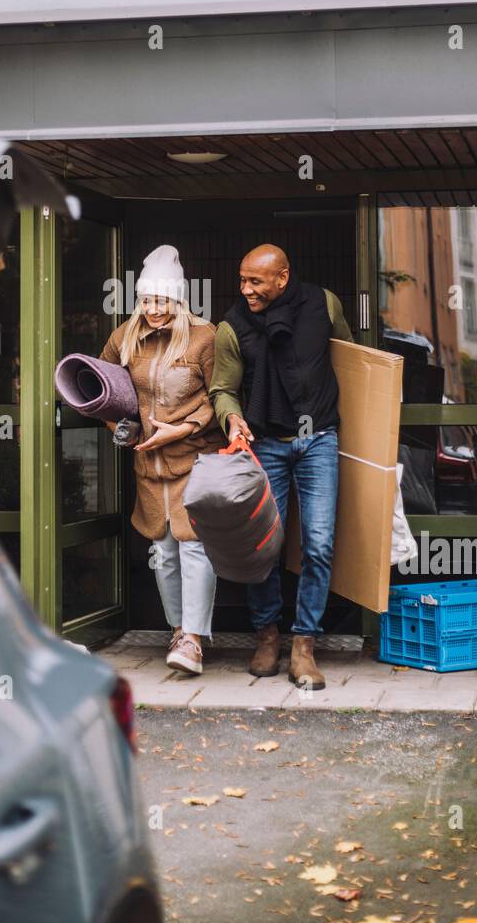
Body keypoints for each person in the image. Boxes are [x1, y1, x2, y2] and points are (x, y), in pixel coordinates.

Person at [209, 244, 353, 688]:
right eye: (242, 279)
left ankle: (304, 644)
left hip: (320, 441)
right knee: (263, 547)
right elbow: (222, 389)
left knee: (320, 544)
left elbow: (353, 360)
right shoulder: (231, 326)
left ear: (283, 278)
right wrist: (231, 417)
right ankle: (267, 635)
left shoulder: (324, 304)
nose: (245, 289)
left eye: (255, 281)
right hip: (264, 443)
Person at [100, 246, 223, 676]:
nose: (153, 310)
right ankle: (177, 629)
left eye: (162, 301)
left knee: (194, 547)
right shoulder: (124, 337)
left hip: (193, 460)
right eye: (147, 300)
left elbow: (219, 397)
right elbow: (104, 390)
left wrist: (186, 428)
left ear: (179, 299)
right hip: (149, 466)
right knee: (164, 551)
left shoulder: (205, 337)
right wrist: (123, 427)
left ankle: (193, 639)